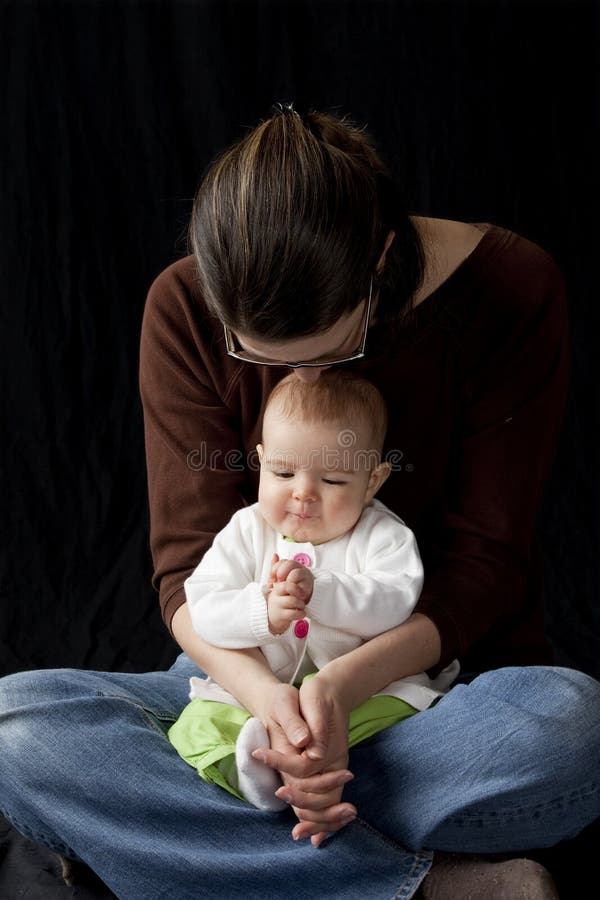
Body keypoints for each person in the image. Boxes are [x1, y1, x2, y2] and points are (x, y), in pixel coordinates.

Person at [0, 103, 598, 900]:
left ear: (381, 261)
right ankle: (419, 886)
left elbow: (485, 565)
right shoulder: (181, 309)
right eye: (253, 357)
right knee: (15, 726)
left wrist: (338, 692)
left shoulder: (512, 289)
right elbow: (187, 574)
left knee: (573, 726)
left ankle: (178, 842)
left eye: (333, 355)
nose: (293, 378)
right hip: (242, 687)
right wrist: (276, 706)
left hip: (431, 695)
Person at [168, 371, 458, 813]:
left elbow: (393, 602)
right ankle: (259, 776)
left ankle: (302, 783)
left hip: (362, 694)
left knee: (406, 723)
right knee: (197, 726)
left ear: (373, 480)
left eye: (335, 481)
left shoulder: (385, 536)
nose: (303, 493)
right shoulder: (246, 531)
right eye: (282, 472)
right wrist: (260, 612)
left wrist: (318, 593)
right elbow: (203, 605)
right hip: (255, 694)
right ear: (261, 461)